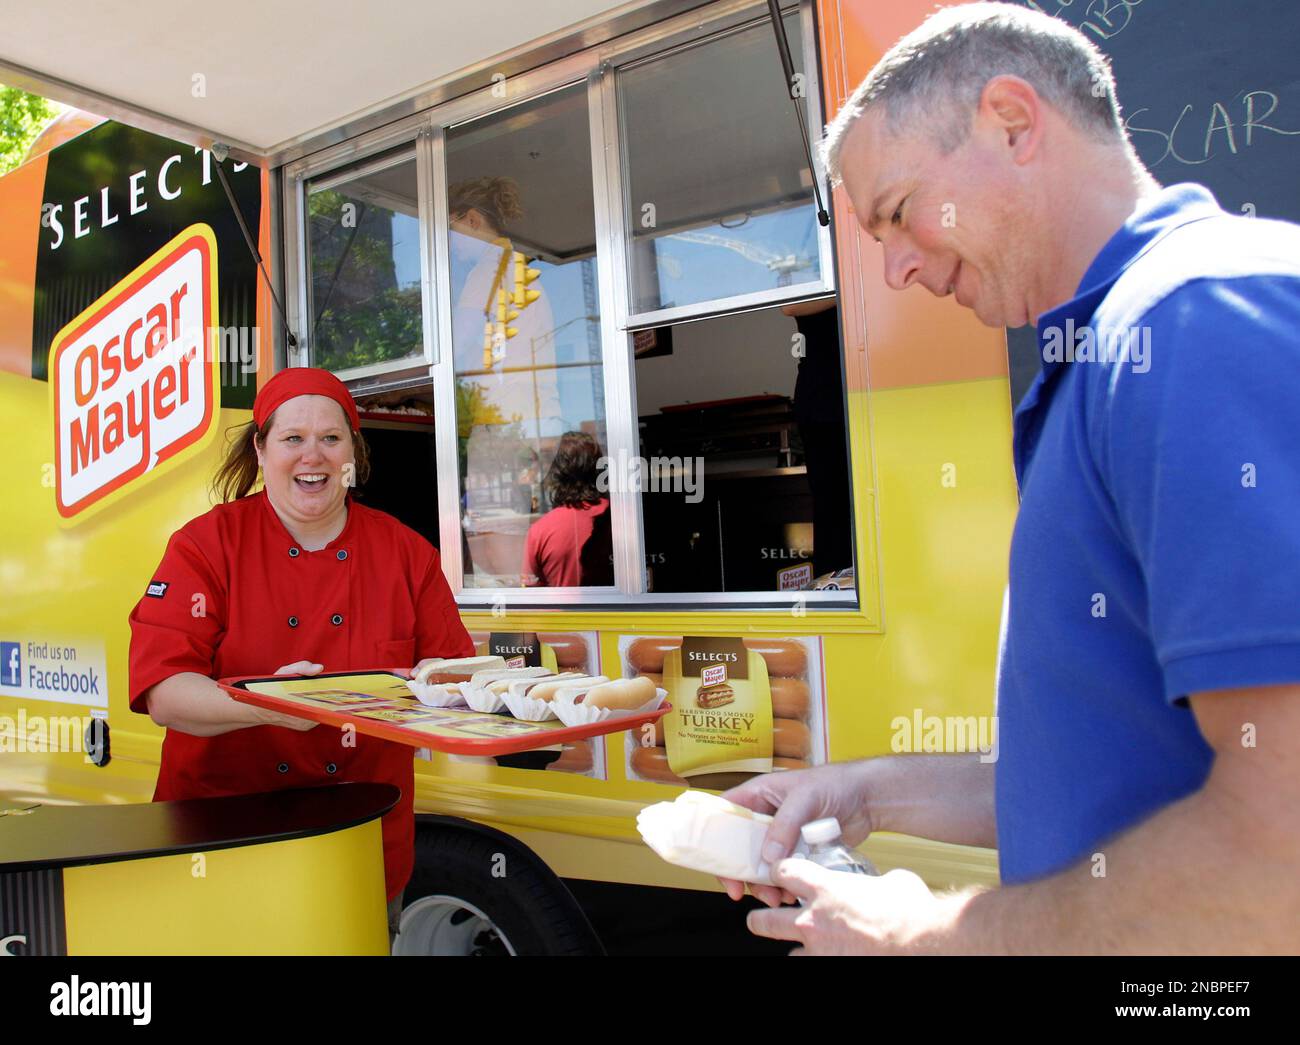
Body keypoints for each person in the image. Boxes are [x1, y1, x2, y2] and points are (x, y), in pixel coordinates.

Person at [722, 2, 1300, 954]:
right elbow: (1106, 760)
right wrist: (861, 791)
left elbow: (1278, 846)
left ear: (1013, 121)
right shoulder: (1103, 355)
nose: (898, 268)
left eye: (898, 214)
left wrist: (924, 935)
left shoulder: (1193, 322)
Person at [128, 367, 474, 943]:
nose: (312, 454)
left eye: (331, 438)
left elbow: (451, 678)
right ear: (261, 449)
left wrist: (510, 695)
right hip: (221, 842)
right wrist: (263, 705)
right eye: (293, 438)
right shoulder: (206, 545)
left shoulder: (406, 553)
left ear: (353, 454)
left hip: (361, 847)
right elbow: (165, 693)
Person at [522, 431, 613, 587]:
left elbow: (530, 594)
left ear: (557, 473)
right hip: (619, 611)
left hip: (560, 611)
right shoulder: (620, 517)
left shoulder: (540, 531)